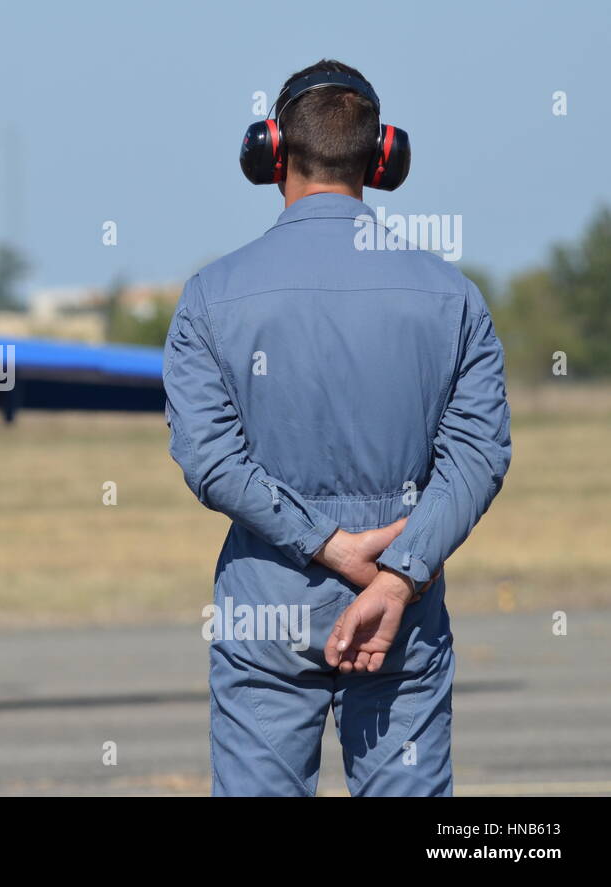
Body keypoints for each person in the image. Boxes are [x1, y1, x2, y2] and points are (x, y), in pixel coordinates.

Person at [163, 59, 511, 796]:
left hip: (268, 600)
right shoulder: (452, 297)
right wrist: (398, 572)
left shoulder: (210, 296)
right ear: (382, 157)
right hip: (403, 612)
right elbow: (478, 457)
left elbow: (210, 459)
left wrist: (327, 545)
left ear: (270, 153)